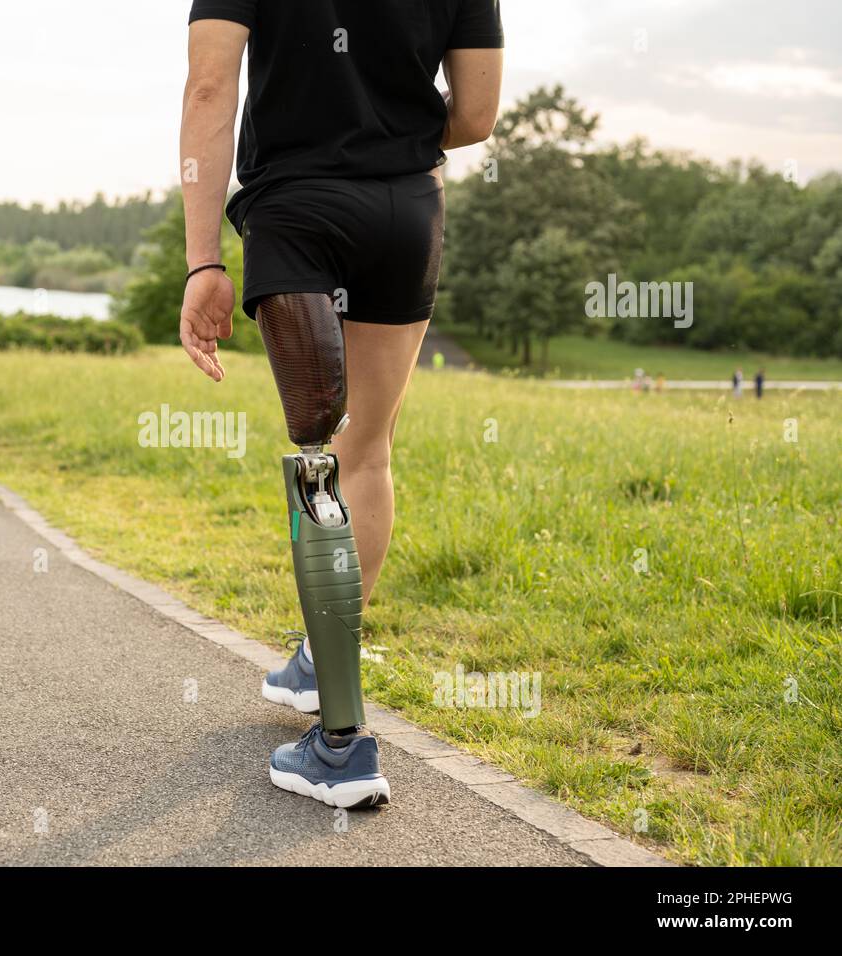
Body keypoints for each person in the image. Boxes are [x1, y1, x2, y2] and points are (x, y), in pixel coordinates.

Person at [178, 1, 504, 808]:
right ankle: (321, 667)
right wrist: (388, 136)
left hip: (296, 209)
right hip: (405, 209)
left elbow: (211, 86)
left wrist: (202, 263)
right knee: (368, 448)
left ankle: (342, 744)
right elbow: (475, 113)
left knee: (317, 449)